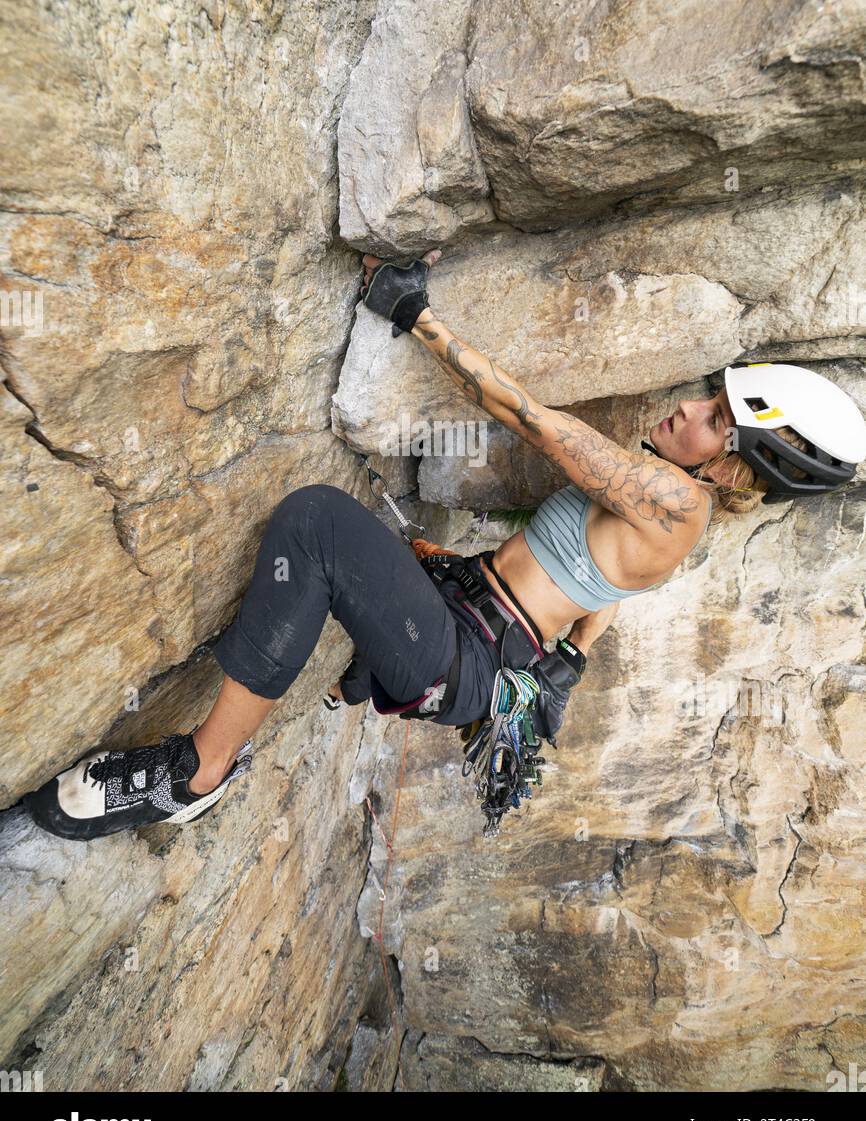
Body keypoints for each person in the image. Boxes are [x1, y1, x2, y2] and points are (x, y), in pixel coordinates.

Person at [24, 252, 866, 840]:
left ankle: (194, 778)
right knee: (372, 564)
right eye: (709, 399)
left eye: (715, 420)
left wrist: (417, 314)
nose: (688, 409)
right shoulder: (691, 519)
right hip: (472, 632)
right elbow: (604, 593)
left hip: (461, 654)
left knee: (316, 521)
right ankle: (344, 674)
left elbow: (534, 421)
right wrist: (568, 658)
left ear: (735, 465)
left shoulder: (675, 499)